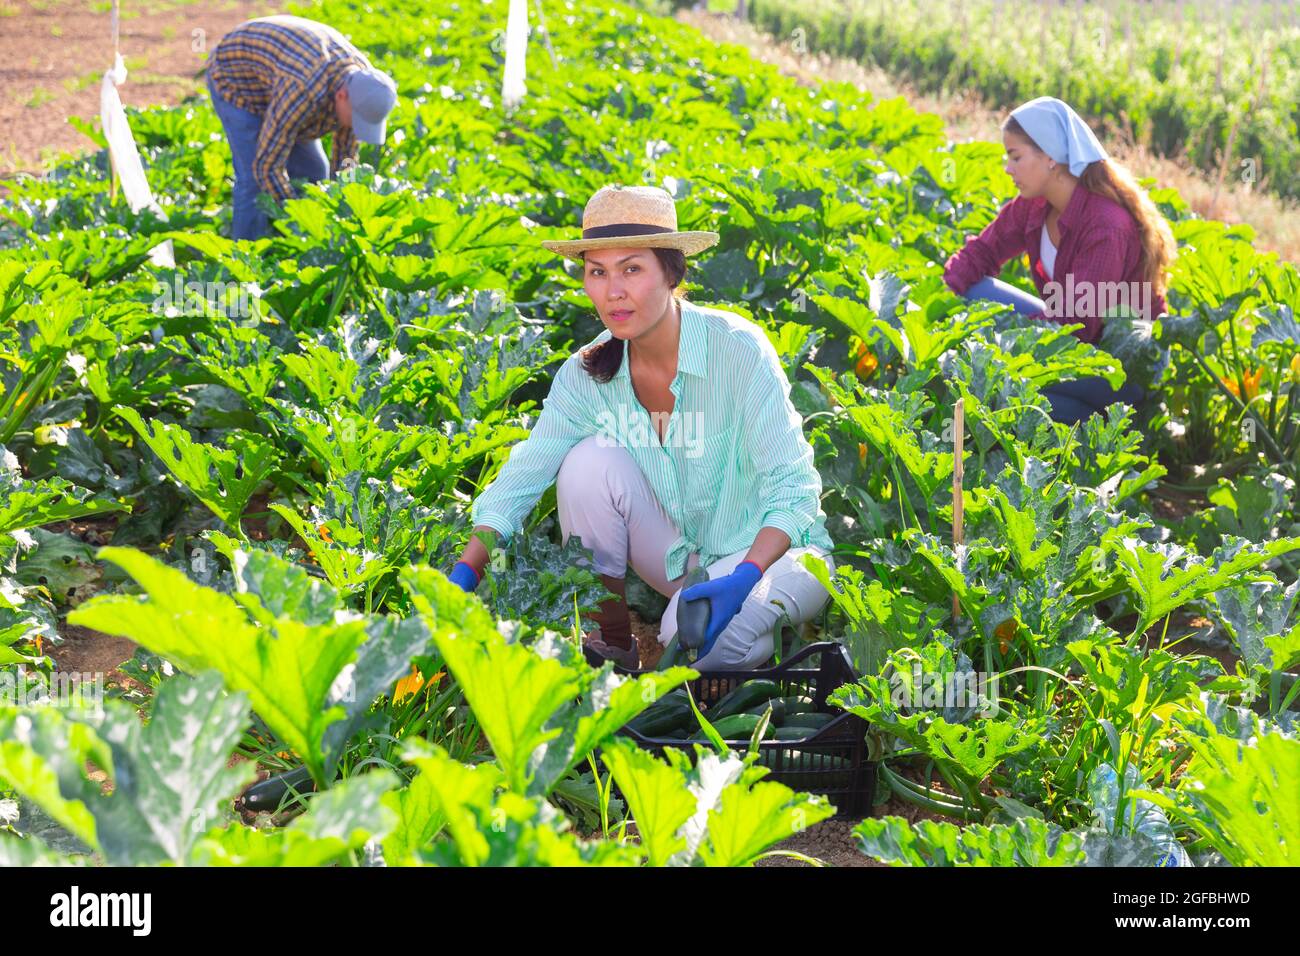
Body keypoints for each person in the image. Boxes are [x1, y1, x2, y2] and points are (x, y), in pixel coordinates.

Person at [446, 184, 836, 670]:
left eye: (632, 268)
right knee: (585, 465)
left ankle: (764, 650)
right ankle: (614, 651)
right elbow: (522, 479)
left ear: (672, 272)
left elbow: (795, 491)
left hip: (779, 556)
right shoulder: (588, 373)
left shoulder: (737, 351)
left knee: (688, 637)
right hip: (687, 560)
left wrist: (744, 577)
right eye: (597, 272)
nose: (613, 291)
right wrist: (464, 573)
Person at [943, 96, 1176, 425]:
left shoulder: (1106, 225)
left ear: (1050, 156)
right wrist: (940, 298)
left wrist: (1001, 344)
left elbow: (1076, 325)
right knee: (974, 291)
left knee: (1018, 398)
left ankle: (1113, 431)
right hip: (1071, 339)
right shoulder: (1034, 204)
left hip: (1125, 368)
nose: (1008, 169)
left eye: (1016, 157)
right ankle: (1083, 420)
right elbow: (983, 251)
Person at [205, 15, 398, 240]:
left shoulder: (364, 85)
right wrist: (300, 218)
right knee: (253, 181)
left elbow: (346, 158)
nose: (357, 127)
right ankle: (245, 256)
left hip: (281, 76)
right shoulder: (303, 89)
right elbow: (267, 166)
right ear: (342, 96)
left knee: (315, 170)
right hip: (236, 77)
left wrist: (344, 207)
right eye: (357, 120)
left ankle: (285, 235)